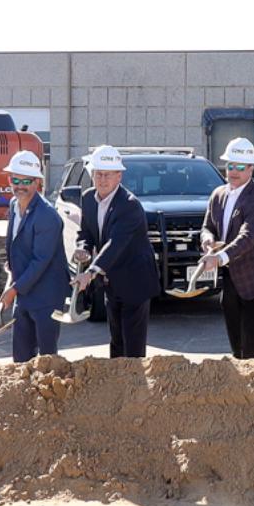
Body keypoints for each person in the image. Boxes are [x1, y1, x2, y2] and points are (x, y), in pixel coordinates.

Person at [74, 144, 159, 357]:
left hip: (135, 281)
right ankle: (118, 387)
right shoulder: (88, 198)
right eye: (98, 174)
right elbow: (87, 233)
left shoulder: (129, 205)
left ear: (119, 176)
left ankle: (135, 387)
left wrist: (91, 272)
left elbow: (116, 243)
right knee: (116, 342)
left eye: (108, 175)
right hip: (111, 280)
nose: (102, 180)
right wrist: (82, 249)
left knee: (133, 348)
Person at [199, 137, 254, 359]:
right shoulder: (218, 194)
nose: (233, 171)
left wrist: (219, 257)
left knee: (252, 346)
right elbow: (207, 226)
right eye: (230, 165)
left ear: (251, 169)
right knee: (236, 343)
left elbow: (248, 236)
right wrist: (207, 240)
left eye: (240, 166)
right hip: (231, 278)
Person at [0, 149, 70, 363]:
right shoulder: (14, 205)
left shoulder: (47, 216)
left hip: (47, 294)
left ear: (37, 182)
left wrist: (14, 290)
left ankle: (50, 394)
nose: (20, 186)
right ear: (9, 179)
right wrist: (11, 266)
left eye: (26, 181)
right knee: (21, 355)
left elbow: (41, 261)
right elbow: (15, 242)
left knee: (46, 357)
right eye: (16, 179)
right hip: (25, 289)